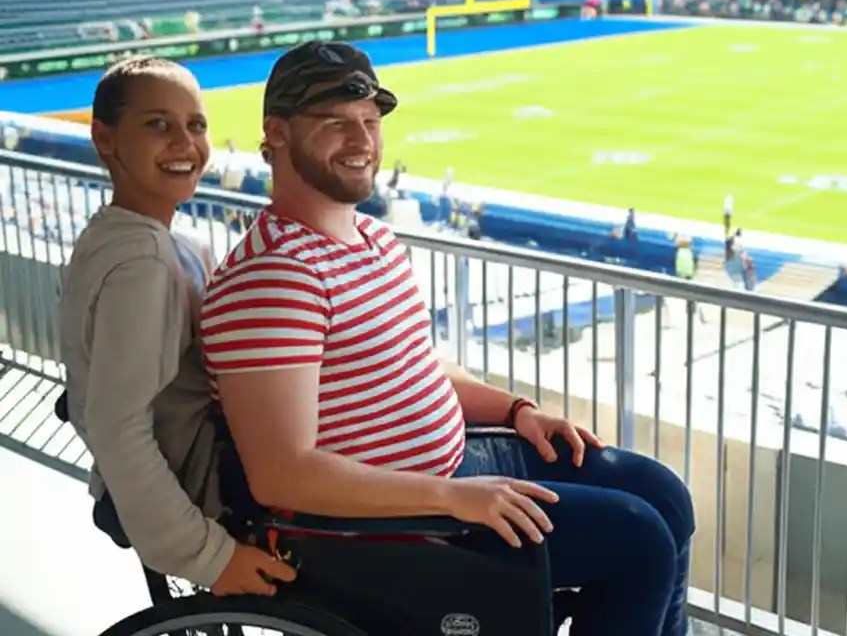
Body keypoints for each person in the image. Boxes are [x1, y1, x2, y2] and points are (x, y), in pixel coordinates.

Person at [199, 41, 694, 636]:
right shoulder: (271, 277)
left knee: (664, 495)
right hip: (398, 527)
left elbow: (421, 371)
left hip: (457, 469)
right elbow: (283, 474)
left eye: (369, 122)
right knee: (636, 539)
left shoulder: (373, 241)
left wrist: (518, 411)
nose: (361, 141)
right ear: (276, 133)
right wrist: (452, 498)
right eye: (335, 124)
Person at [56, 56, 296, 596]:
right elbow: (118, 425)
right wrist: (207, 556)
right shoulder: (142, 263)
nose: (185, 143)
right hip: (209, 499)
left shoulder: (129, 239)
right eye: (158, 125)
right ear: (106, 139)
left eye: (196, 125)